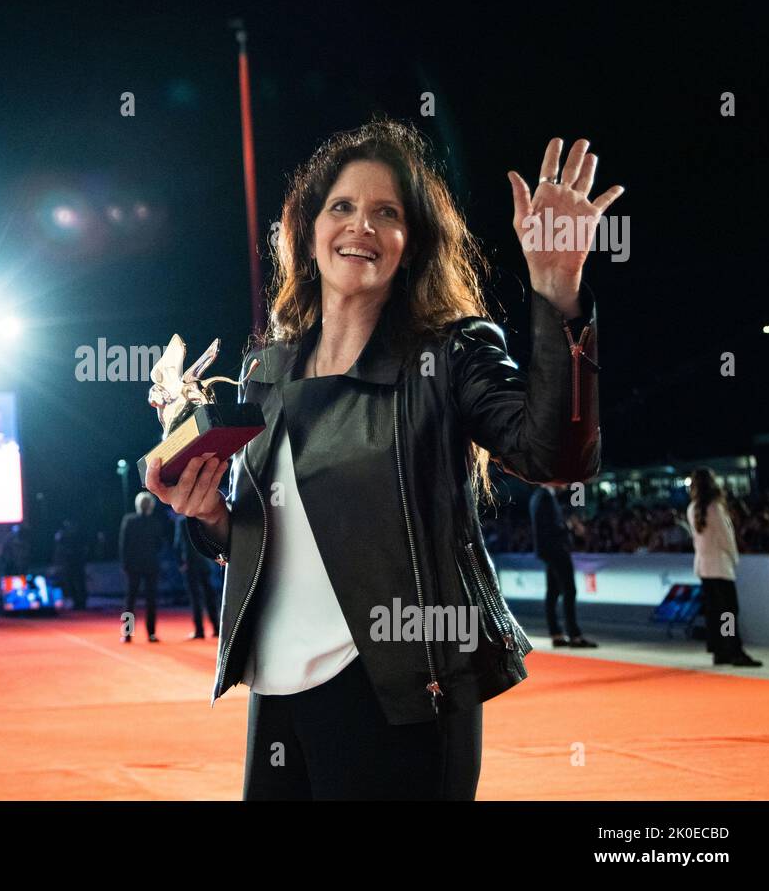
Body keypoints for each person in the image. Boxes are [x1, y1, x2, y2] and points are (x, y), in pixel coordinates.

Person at [147, 123, 614, 800]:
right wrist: (209, 514)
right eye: (341, 206)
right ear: (308, 231)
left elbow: (556, 455)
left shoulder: (450, 354)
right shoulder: (263, 370)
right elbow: (259, 529)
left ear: (411, 244)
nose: (359, 226)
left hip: (400, 691)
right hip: (275, 690)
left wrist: (559, 295)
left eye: (386, 213)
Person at [687, 468, 762, 667]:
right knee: (728, 612)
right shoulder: (715, 508)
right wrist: (734, 558)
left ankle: (719, 650)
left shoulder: (692, 508)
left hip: (704, 567)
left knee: (713, 612)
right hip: (719, 566)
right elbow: (727, 538)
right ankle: (733, 649)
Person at [530, 484, 597, 649]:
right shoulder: (544, 497)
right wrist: (571, 526)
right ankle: (574, 635)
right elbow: (551, 526)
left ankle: (557, 634)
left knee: (553, 592)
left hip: (549, 549)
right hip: (556, 549)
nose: (566, 484)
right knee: (569, 590)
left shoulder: (540, 496)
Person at [119, 493, 163, 642]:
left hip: (134, 566)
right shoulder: (155, 523)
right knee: (150, 600)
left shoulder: (129, 521)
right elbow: (159, 545)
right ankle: (151, 633)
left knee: (130, 600)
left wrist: (125, 563)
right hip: (150, 565)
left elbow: (123, 545)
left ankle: (127, 634)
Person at [174, 512, 219, 640]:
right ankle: (216, 627)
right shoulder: (204, 518)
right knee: (209, 595)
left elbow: (178, 544)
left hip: (190, 564)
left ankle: (199, 630)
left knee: (195, 597)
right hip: (206, 562)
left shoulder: (182, 522)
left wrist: (181, 563)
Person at [52, 519, 87, 611]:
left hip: (76, 562)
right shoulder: (62, 535)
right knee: (70, 583)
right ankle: (76, 602)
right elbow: (59, 549)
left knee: (79, 582)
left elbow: (82, 548)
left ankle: (81, 602)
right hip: (68, 563)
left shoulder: (78, 535)